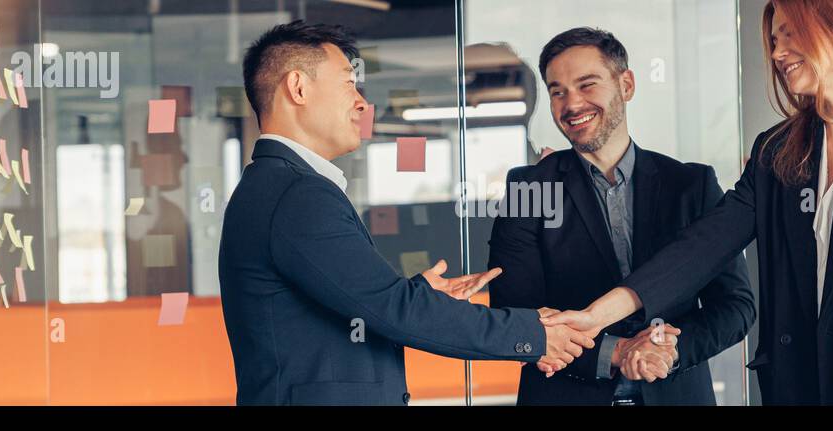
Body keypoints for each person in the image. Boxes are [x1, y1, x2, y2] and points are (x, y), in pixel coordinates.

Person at [543, 0, 833, 405]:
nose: (778, 52)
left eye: (788, 35)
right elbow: (703, 247)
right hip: (798, 388)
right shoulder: (779, 149)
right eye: (773, 41)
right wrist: (598, 315)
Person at [218, 21, 594, 406]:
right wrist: (535, 334)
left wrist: (416, 295)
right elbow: (392, 310)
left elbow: (363, 301)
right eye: (349, 83)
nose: (362, 103)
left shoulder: (275, 186)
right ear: (298, 87)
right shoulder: (298, 194)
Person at [488, 28, 755, 406]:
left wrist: (668, 349)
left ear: (626, 85)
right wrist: (617, 352)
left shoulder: (691, 184)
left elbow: (735, 307)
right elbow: (515, 312)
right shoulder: (527, 188)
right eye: (558, 91)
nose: (571, 104)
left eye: (587, 85)